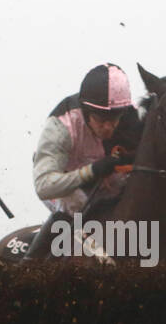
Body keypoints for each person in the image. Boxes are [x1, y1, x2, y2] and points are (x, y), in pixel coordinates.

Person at [24, 62, 136, 260]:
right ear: (85, 111)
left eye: (114, 119)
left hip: (108, 184)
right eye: (101, 120)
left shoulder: (132, 118)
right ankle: (30, 264)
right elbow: (44, 186)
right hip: (63, 186)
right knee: (75, 203)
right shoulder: (61, 126)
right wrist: (90, 172)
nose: (109, 128)